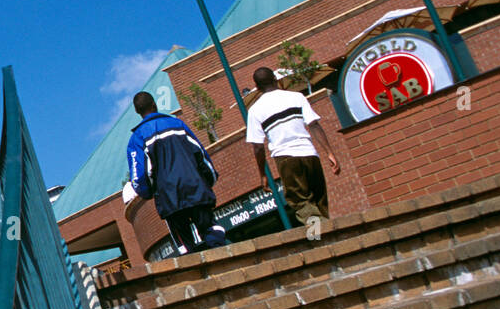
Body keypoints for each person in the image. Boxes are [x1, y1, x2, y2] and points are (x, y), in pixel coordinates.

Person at [126, 91, 227, 255]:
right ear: (154, 104)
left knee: (186, 246)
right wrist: (209, 179)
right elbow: (200, 154)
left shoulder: (137, 138)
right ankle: (225, 258)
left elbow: (139, 175)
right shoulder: (178, 125)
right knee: (210, 230)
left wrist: (147, 192)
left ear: (138, 112)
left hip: (169, 197)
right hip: (195, 187)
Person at [246, 67, 340, 224]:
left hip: (286, 158)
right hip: (310, 154)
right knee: (319, 201)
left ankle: (319, 238)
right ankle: (331, 236)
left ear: (257, 87)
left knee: (302, 202)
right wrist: (330, 153)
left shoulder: (255, 110)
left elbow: (258, 147)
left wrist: (263, 174)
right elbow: (314, 125)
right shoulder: (297, 97)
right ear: (276, 79)